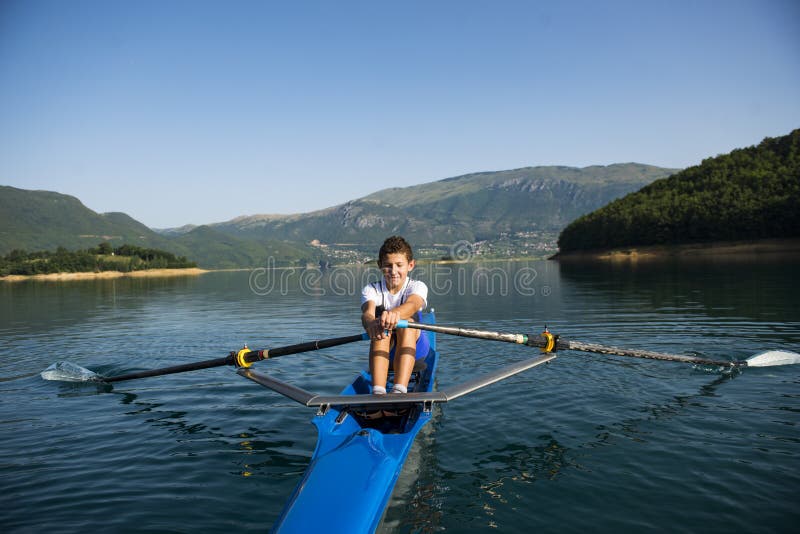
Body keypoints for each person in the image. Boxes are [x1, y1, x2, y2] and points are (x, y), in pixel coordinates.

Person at [361, 236, 429, 395]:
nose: (393, 271)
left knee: (407, 324)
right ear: (380, 266)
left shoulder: (417, 286)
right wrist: (370, 323)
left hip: (416, 354)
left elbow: (413, 304)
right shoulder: (371, 290)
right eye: (388, 266)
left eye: (399, 265)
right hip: (385, 354)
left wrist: (394, 315)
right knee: (379, 328)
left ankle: (399, 391)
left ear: (410, 265)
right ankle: (378, 392)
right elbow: (367, 313)